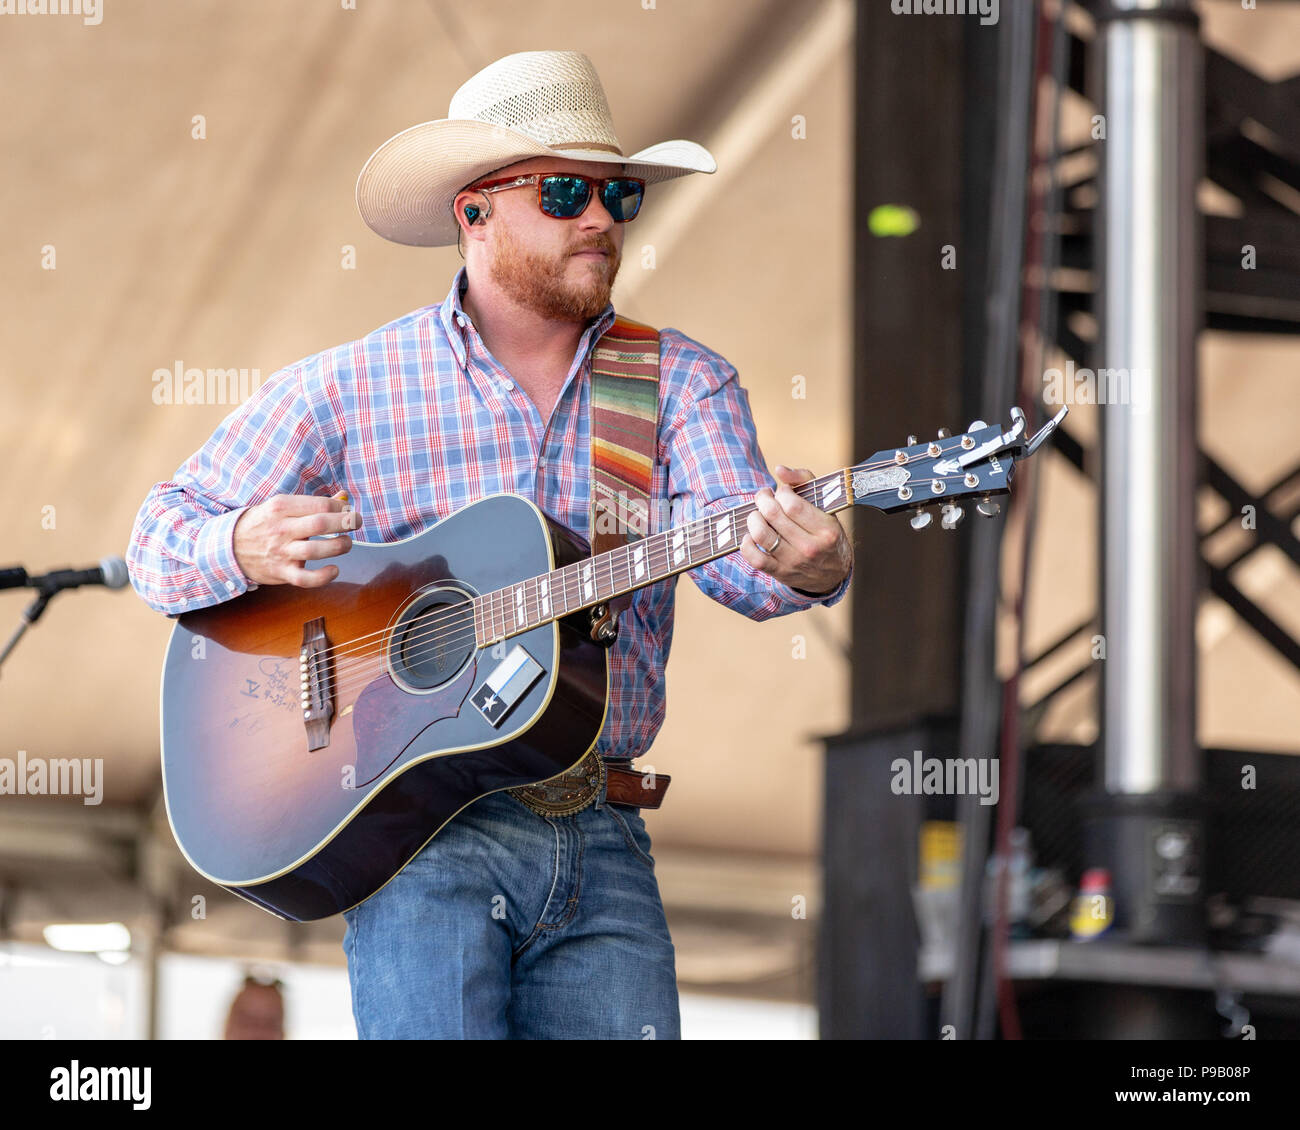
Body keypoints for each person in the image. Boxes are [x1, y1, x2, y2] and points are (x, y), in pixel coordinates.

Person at [127, 50, 853, 1040]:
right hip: (420, 836)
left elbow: (740, 558)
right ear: (474, 212)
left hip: (605, 830)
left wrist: (810, 564)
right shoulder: (344, 389)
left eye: (618, 194)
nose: (598, 217)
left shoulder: (679, 381)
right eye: (564, 192)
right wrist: (242, 541)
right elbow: (158, 541)